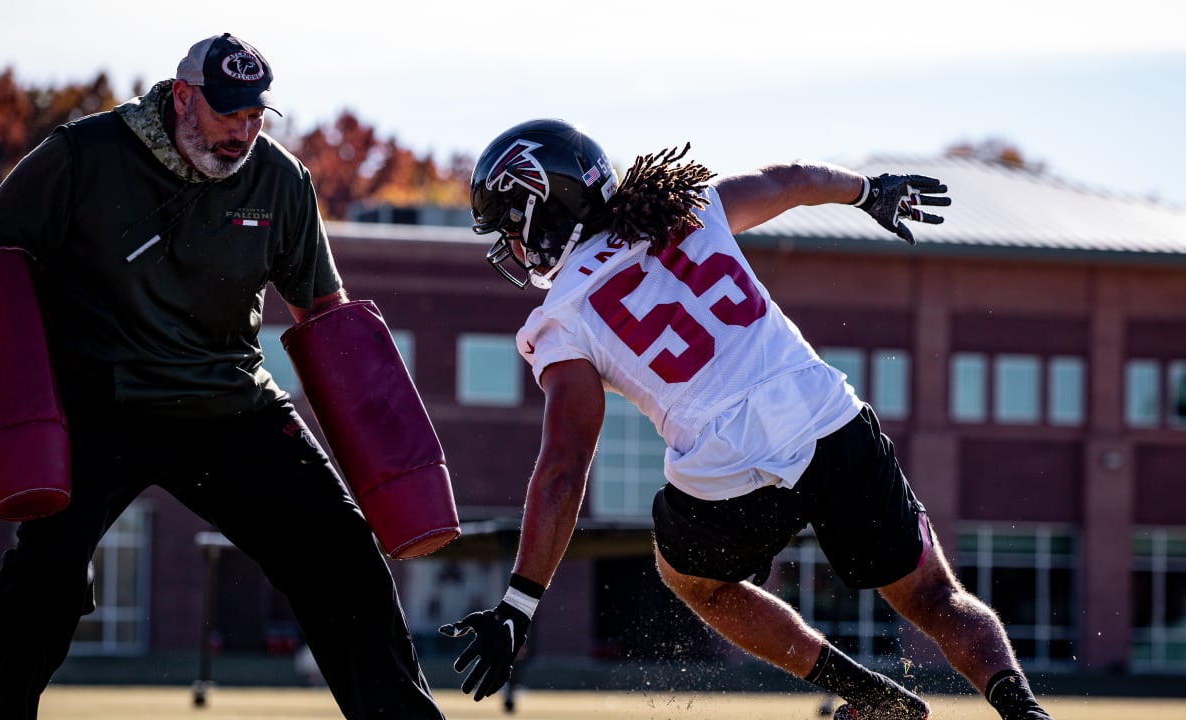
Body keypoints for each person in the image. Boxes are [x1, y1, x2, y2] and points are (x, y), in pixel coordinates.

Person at [439, 118, 1052, 720]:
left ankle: (875, 698)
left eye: (509, 227)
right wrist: (868, 191)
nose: (510, 245)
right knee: (935, 595)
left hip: (727, 463)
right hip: (825, 415)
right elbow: (790, 179)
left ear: (541, 208)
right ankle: (1022, 709)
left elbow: (564, 468)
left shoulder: (561, 316)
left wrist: (519, 603)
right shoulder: (687, 209)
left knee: (692, 580)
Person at [0, 34, 445, 720]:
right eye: (228, 114)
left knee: (341, 547)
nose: (242, 133)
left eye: (255, 117)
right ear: (183, 97)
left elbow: (323, 313)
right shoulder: (83, 154)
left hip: (229, 406)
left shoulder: (281, 179)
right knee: (48, 568)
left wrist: (391, 461)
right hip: (102, 405)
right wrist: (19, 401)